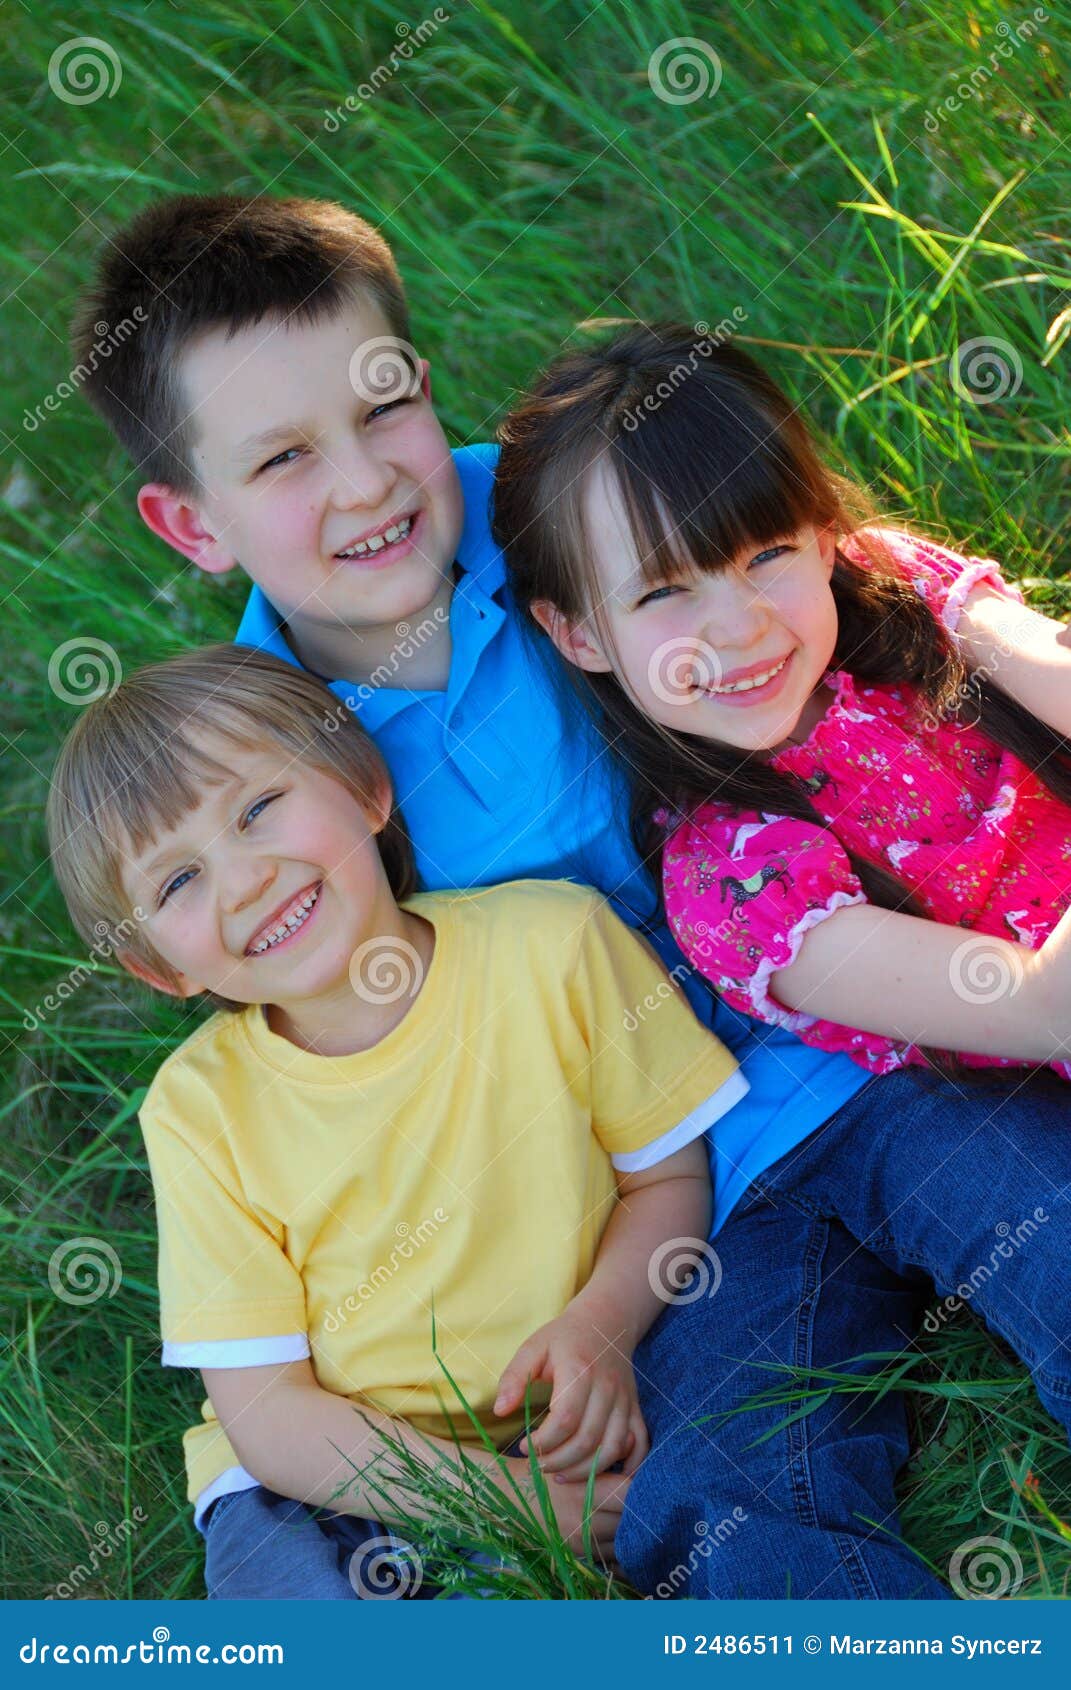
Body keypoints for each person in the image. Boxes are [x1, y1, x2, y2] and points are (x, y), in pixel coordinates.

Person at [494, 321, 1071, 1599]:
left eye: (767, 555)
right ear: (579, 632)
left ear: (822, 535)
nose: (740, 625)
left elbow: (1051, 668)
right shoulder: (733, 877)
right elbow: (1033, 1009)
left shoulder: (898, 592)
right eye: (665, 592)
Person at [45, 644, 742, 1599]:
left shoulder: (555, 944)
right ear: (162, 970)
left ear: (366, 789)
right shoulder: (199, 1110)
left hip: (572, 1400)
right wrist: (498, 1501)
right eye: (177, 884)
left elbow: (662, 1180)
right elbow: (267, 1411)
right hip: (323, 1473)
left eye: (257, 810)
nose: (245, 882)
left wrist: (604, 1325)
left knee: (718, 1490)